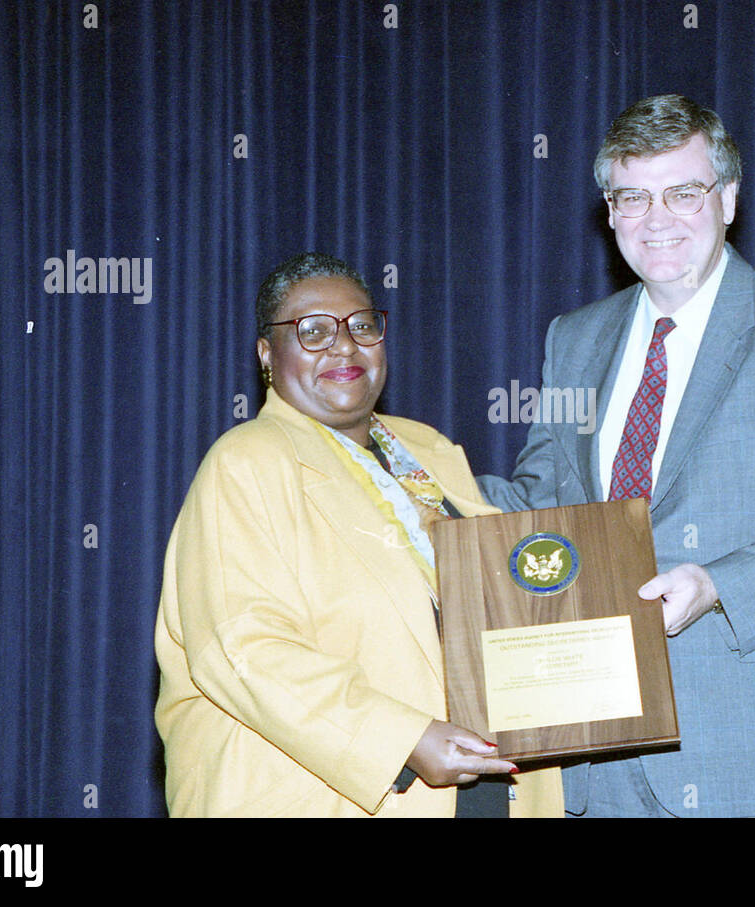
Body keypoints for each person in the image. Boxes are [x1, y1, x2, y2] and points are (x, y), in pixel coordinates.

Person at [477, 95, 755, 817]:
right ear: (609, 211)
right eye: (632, 196)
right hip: (598, 760)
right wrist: (414, 484)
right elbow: (539, 500)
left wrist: (717, 584)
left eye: (683, 192)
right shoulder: (574, 339)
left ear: (729, 199)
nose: (657, 218)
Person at [155, 252, 562, 817]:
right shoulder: (246, 462)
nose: (344, 346)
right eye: (313, 331)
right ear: (267, 355)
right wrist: (402, 739)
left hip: (483, 782)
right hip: (337, 792)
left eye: (362, 326)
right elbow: (242, 649)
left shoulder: (429, 451)